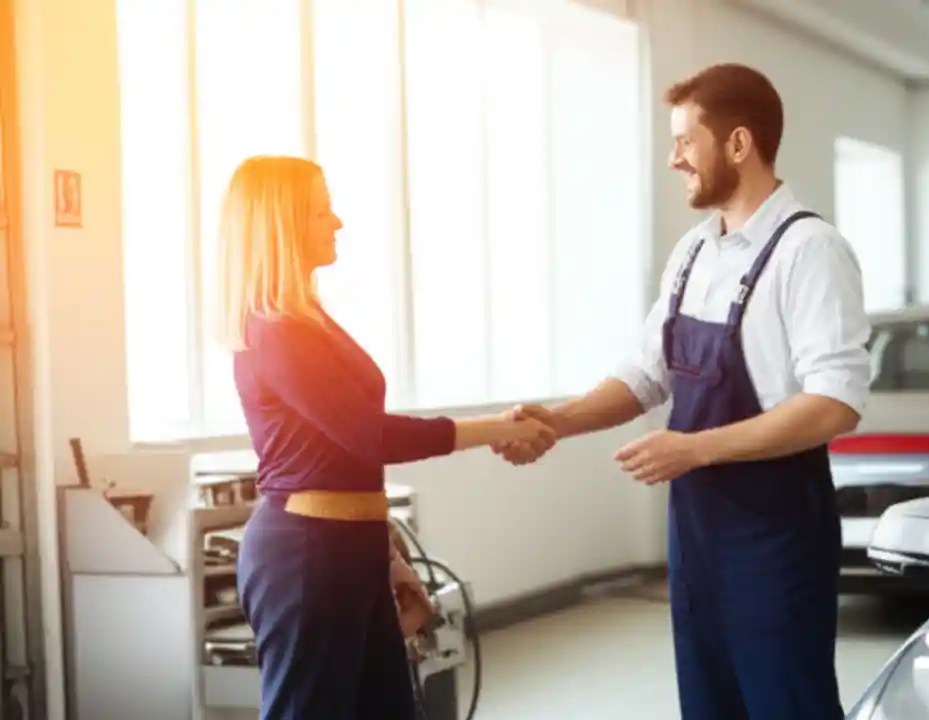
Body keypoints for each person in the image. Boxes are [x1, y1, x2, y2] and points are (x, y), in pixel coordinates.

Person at [495, 64, 871, 719]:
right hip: (698, 534)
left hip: (776, 534)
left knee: (787, 703)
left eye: (684, 141)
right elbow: (647, 375)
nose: (673, 159)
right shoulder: (695, 252)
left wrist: (695, 449)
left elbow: (833, 403)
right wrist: (560, 421)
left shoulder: (809, 250)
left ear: (737, 144)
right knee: (709, 703)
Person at [216, 155, 554, 719]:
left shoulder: (309, 322)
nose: (338, 222)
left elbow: (343, 458)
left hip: (348, 549)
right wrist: (496, 428)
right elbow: (367, 437)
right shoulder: (275, 333)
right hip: (305, 557)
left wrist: (386, 552)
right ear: (284, 224)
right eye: (322, 211)